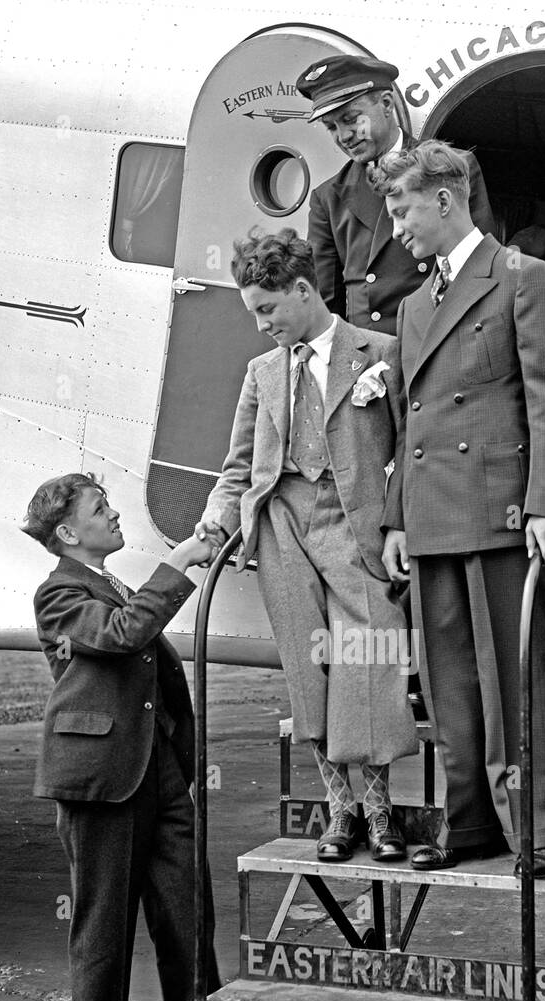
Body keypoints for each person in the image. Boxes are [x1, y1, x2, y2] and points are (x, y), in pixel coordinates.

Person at [375, 140, 545, 877]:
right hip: (431, 514)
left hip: (501, 511)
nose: (396, 229)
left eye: (402, 210)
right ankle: (471, 824)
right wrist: (397, 516)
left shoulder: (522, 278)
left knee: (515, 676)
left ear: (445, 200)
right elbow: (409, 421)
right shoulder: (413, 306)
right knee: (450, 678)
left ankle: (536, 829)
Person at [196, 229, 418, 862]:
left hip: (357, 529)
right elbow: (238, 466)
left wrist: (400, 523)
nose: (261, 324)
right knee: (307, 668)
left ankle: (380, 810)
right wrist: (216, 518)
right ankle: (340, 813)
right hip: (284, 528)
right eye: (254, 313)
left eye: (267, 309)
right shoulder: (261, 373)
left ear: (302, 290)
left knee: (367, 660)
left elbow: (409, 452)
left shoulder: (381, 352)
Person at [21, 475, 230, 1001]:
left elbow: (135, 638)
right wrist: (177, 564)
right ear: (66, 531)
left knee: (188, 917)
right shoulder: (58, 594)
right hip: (101, 779)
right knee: (104, 924)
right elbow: (119, 636)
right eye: (100, 509)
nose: (114, 514)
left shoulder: (111, 586)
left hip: (159, 772)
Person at [297, 55, 495, 335]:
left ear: (387, 104)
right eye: (331, 127)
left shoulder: (451, 169)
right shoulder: (328, 199)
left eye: (351, 119)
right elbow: (324, 306)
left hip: (435, 346)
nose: (344, 136)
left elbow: (479, 273)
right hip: (367, 360)